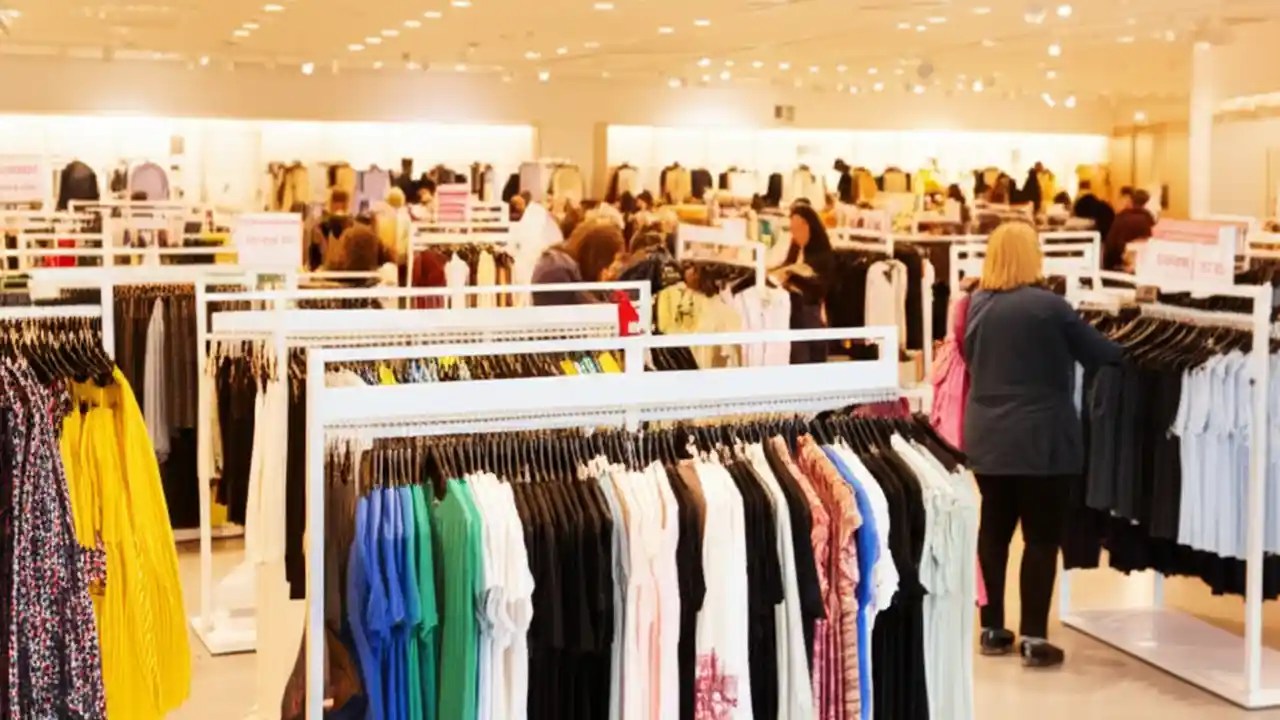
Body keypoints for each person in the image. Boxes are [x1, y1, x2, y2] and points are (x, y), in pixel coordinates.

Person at [964, 221, 1121, 668]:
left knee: (993, 533)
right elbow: (1102, 353)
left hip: (988, 436)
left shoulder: (976, 305)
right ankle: (1034, 635)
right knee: (1040, 539)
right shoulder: (1051, 308)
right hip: (1042, 439)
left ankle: (992, 629)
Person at [774, 203, 835, 363]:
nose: (795, 234)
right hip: (794, 319)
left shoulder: (823, 256)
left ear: (808, 226)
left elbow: (821, 288)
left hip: (810, 319)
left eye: (797, 228)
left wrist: (794, 276)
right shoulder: (796, 251)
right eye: (792, 229)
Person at [530, 220, 625, 305]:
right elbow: (592, 311)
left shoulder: (563, 263)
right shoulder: (558, 269)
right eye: (607, 266)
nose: (609, 274)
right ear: (599, 259)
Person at [1104, 188, 1155, 270]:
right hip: (1139, 268)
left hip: (1116, 268)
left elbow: (1111, 245)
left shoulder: (1120, 218)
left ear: (1131, 202)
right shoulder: (1148, 222)